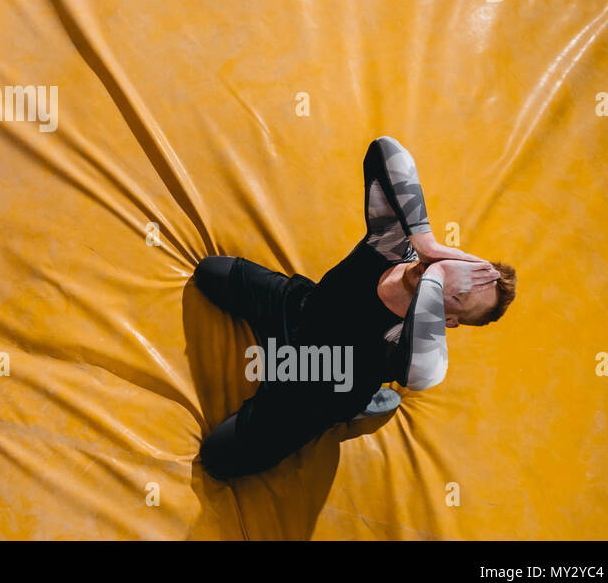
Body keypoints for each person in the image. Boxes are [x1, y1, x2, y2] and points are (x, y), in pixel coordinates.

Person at [195, 136, 517, 480]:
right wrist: (426, 243)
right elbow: (386, 150)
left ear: (449, 322)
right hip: (297, 308)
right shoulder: (392, 246)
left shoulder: (410, 340)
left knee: (217, 459)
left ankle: (364, 404)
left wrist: (436, 273)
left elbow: (423, 376)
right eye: (460, 268)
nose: (451, 276)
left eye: (460, 292)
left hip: (313, 388)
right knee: (209, 272)